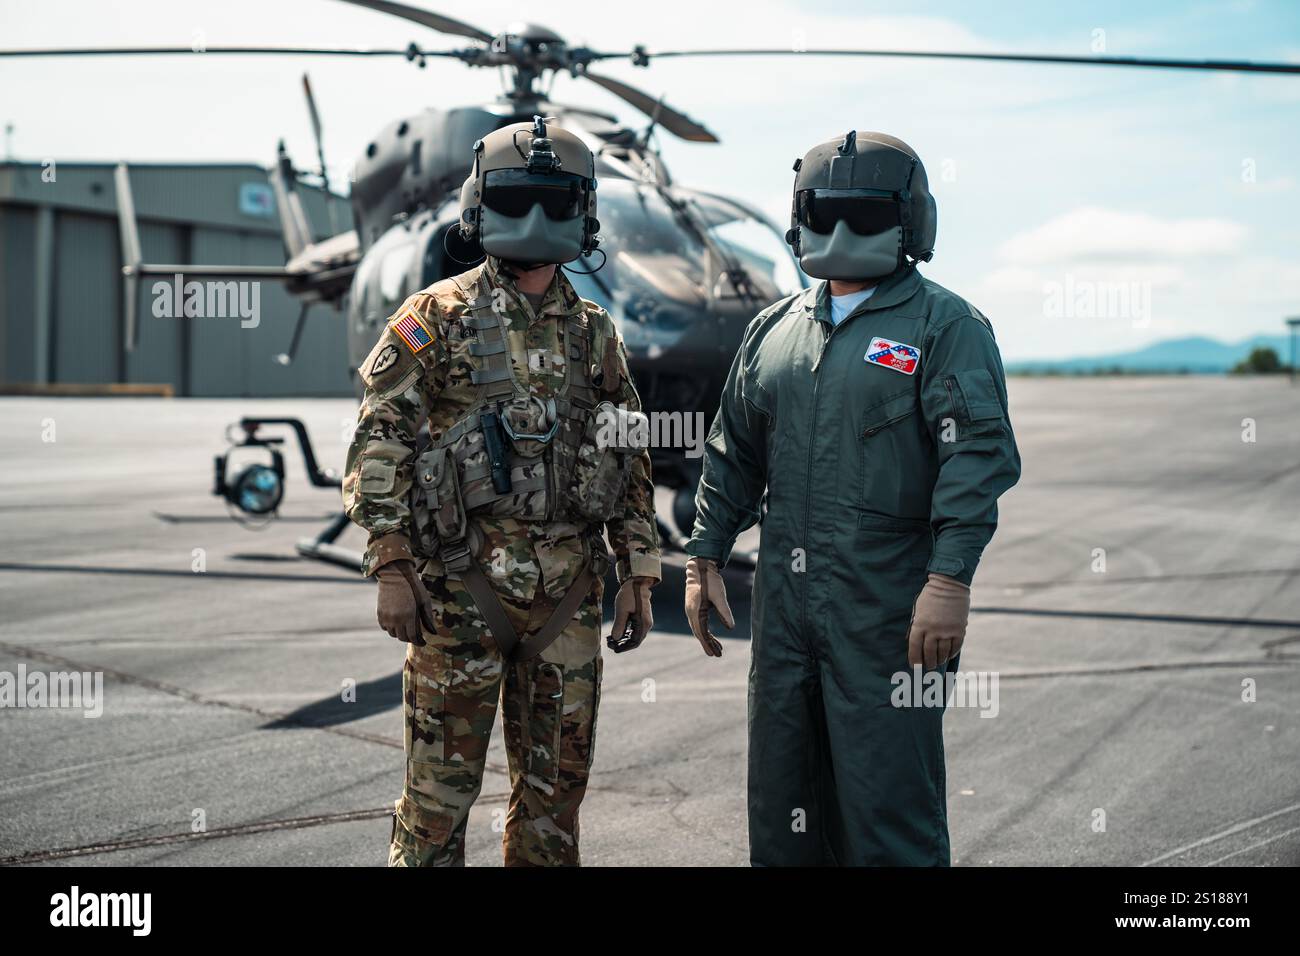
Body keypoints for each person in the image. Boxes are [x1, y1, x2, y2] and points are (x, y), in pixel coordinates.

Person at [684, 130, 1021, 866]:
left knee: (888, 815)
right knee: (783, 812)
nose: (839, 232)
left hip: (888, 615)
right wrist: (704, 551)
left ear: (910, 225)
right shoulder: (774, 331)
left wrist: (949, 579)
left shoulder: (945, 327)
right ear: (798, 217)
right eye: (824, 212)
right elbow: (732, 451)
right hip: (783, 622)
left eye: (865, 216)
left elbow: (978, 458)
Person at [343, 117, 660, 867]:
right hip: (456, 597)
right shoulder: (436, 318)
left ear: (583, 213)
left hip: (569, 601)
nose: (539, 218)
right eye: (520, 199)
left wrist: (638, 570)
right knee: (435, 807)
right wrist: (390, 564)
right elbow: (378, 440)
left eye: (557, 202)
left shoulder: (595, 333)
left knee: (556, 807)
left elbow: (626, 450)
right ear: (480, 205)